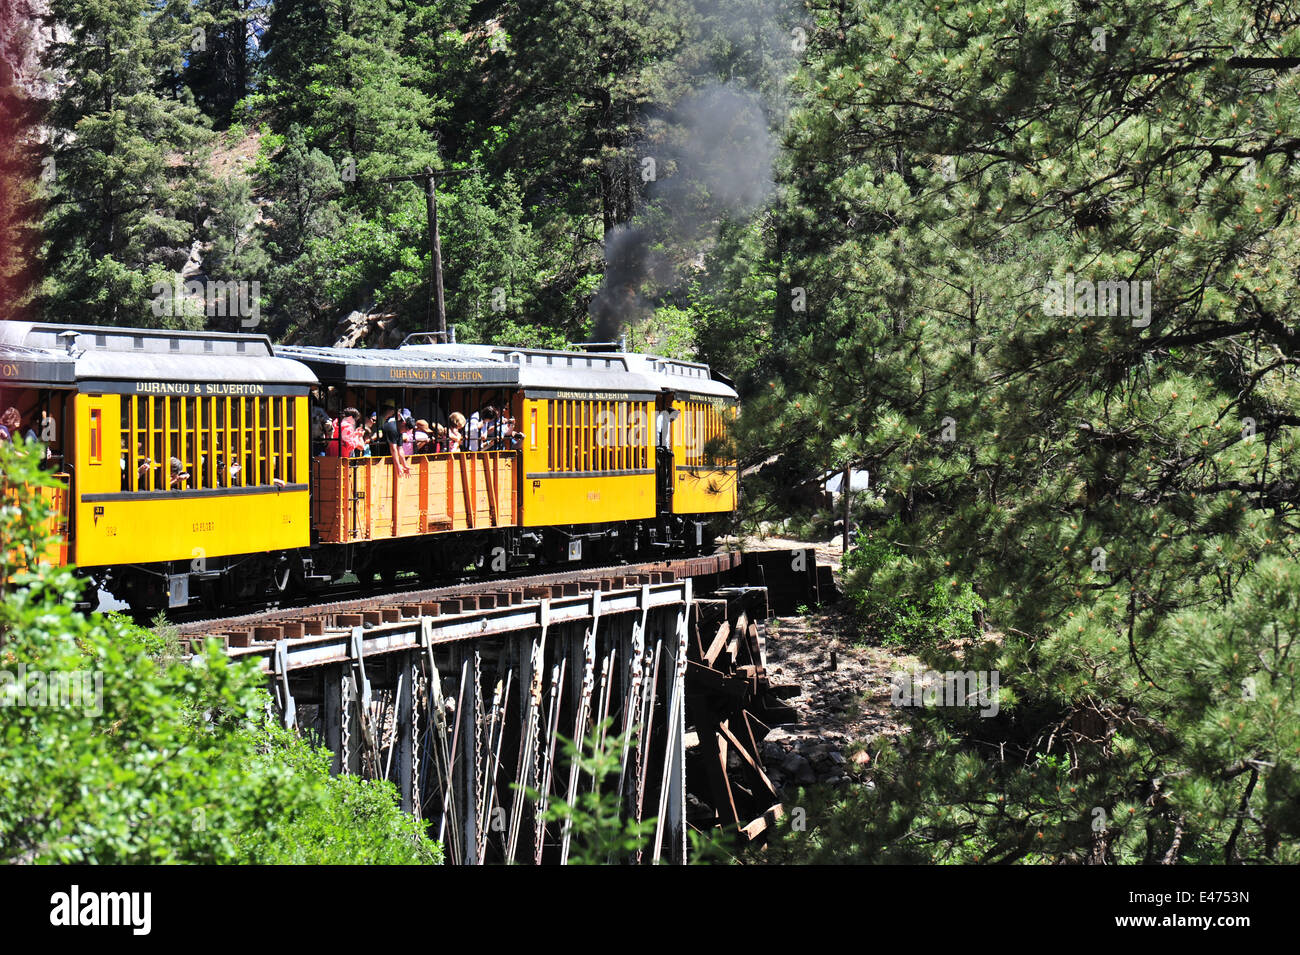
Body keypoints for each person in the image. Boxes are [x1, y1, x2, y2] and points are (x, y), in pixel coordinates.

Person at [382, 409, 415, 476]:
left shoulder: (400, 430)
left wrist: (405, 465)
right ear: (403, 423)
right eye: (406, 429)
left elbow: (400, 449)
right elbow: (393, 449)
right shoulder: (393, 429)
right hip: (380, 454)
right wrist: (398, 466)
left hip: (387, 455)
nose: (406, 431)